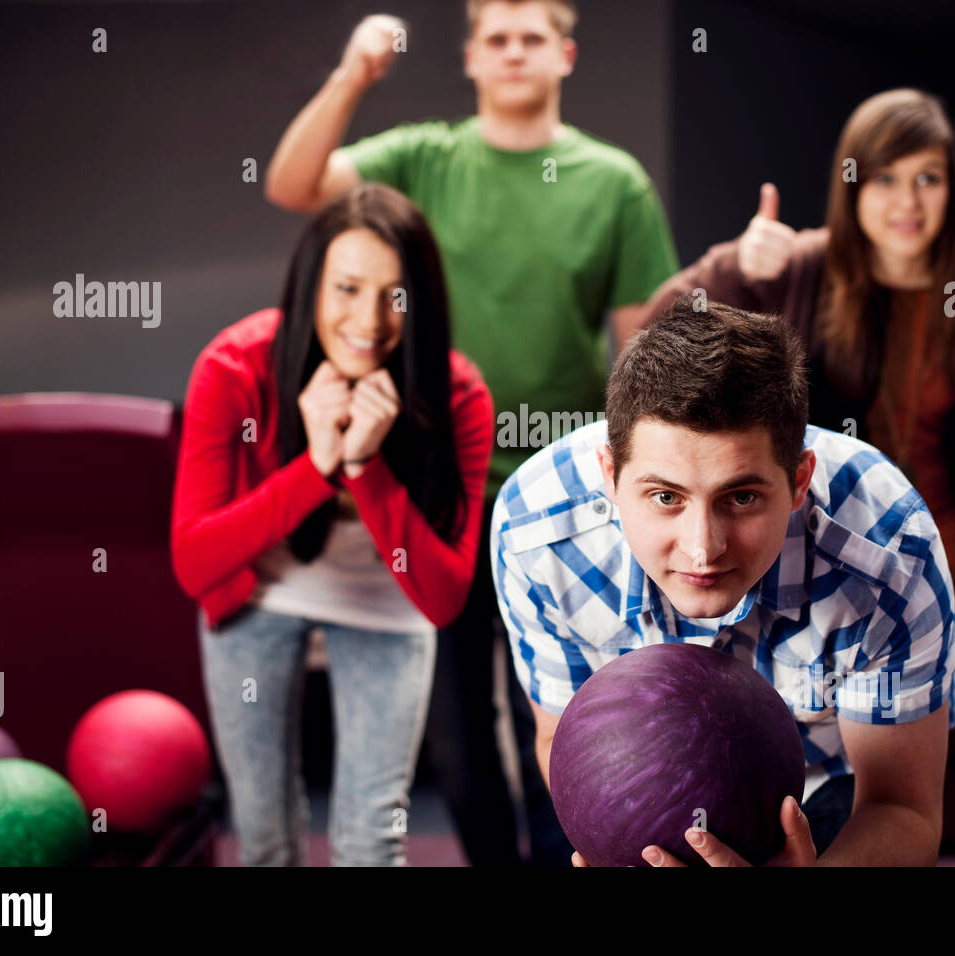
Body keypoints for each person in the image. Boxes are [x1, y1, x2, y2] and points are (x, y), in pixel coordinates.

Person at [264, 0, 678, 866]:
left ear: (564, 54)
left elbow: (650, 355)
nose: (515, 52)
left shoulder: (614, 183)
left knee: (571, 718)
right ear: (470, 58)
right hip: (440, 490)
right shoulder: (422, 157)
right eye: (497, 38)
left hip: (572, 499)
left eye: (533, 38)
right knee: (456, 731)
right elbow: (292, 187)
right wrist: (353, 75)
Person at [493, 297, 955, 865]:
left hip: (838, 758)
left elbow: (902, 810)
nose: (703, 549)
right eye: (665, 497)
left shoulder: (890, 551)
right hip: (661, 768)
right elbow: (564, 742)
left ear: (799, 482)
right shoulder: (537, 533)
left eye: (741, 497)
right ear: (610, 477)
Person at [637, 88, 955, 653]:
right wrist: (736, 265)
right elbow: (655, 332)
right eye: (886, 178)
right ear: (853, 184)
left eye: (928, 178)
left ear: (952, 189)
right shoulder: (807, 264)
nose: (908, 201)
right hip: (821, 552)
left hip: (947, 556)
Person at [170, 183, 493, 866]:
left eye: (393, 293)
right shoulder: (232, 368)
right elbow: (195, 563)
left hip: (386, 597)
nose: (369, 319)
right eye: (346, 288)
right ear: (310, 287)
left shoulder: (459, 394)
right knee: (263, 836)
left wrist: (367, 466)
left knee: (371, 844)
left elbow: (443, 598)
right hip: (259, 590)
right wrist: (315, 469)